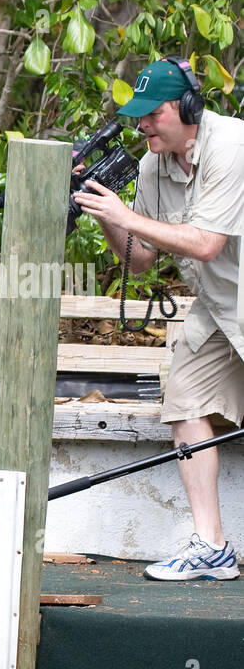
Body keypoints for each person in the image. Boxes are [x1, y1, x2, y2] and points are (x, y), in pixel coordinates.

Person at [75, 57, 244, 581]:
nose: (141, 124)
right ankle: (212, 547)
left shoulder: (232, 146)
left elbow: (208, 244)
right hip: (220, 306)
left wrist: (127, 216)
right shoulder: (154, 165)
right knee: (186, 399)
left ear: (186, 107)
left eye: (151, 114)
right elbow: (141, 259)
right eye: (136, 115)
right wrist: (106, 214)